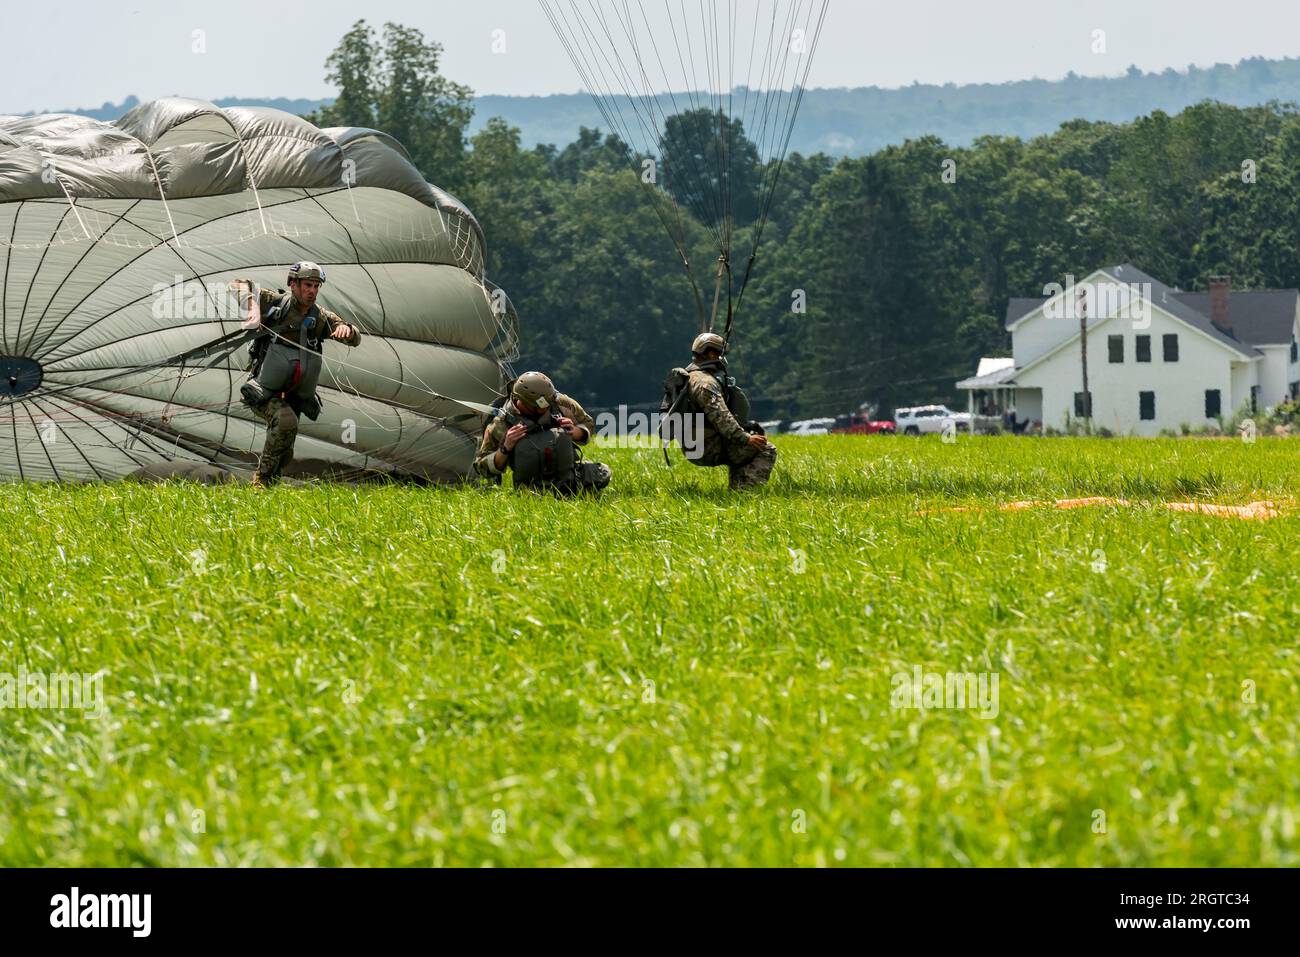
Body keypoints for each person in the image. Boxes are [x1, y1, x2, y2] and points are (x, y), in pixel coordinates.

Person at [235, 262, 362, 487]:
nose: (312, 291)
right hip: (264, 390)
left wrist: (348, 331)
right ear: (293, 284)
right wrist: (252, 308)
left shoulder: (320, 317)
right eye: (307, 285)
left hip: (294, 394)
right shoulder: (275, 303)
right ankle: (260, 483)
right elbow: (238, 285)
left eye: (316, 286)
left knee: (285, 450)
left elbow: (354, 336)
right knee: (285, 421)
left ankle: (268, 489)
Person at [475, 371, 611, 494]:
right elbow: (482, 467)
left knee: (602, 473)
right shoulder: (500, 424)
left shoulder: (560, 403)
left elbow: (588, 423)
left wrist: (575, 432)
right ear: (523, 402)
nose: (547, 407)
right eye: (541, 405)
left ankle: (572, 487)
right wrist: (505, 448)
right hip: (530, 490)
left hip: (569, 478)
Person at [675, 332, 776, 491]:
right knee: (765, 449)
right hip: (707, 447)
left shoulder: (690, 377)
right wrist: (745, 438)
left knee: (740, 449)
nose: (722, 359)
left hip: (693, 445)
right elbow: (721, 416)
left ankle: (735, 491)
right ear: (711, 353)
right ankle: (744, 496)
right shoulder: (706, 383)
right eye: (720, 354)